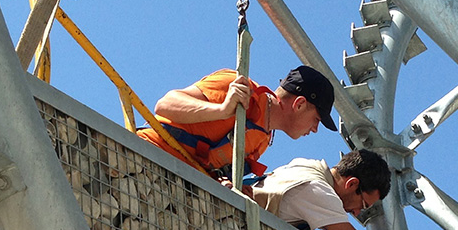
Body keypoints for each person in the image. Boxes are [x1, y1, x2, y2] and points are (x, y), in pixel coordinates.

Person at [137, 65, 338, 181]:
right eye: (317, 119)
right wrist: (222, 109)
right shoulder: (240, 89)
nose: (314, 129)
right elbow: (165, 105)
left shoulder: (262, 140)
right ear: (300, 104)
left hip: (175, 179)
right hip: (144, 157)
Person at [250, 150, 403, 230]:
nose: (356, 213)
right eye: (363, 205)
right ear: (352, 184)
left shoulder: (306, 166)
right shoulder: (319, 191)